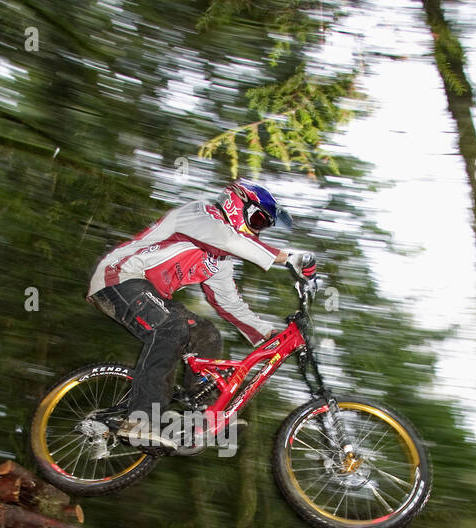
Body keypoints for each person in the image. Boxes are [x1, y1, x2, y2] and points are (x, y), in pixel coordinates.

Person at [87, 179, 317, 450]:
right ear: (236, 204)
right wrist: (288, 257)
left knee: (206, 335)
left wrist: (268, 334)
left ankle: (204, 418)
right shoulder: (200, 214)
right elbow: (229, 238)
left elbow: (228, 302)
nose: (256, 230)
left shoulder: (219, 259)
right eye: (256, 219)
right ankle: (142, 419)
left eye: (261, 226)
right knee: (171, 327)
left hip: (152, 296)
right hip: (120, 276)